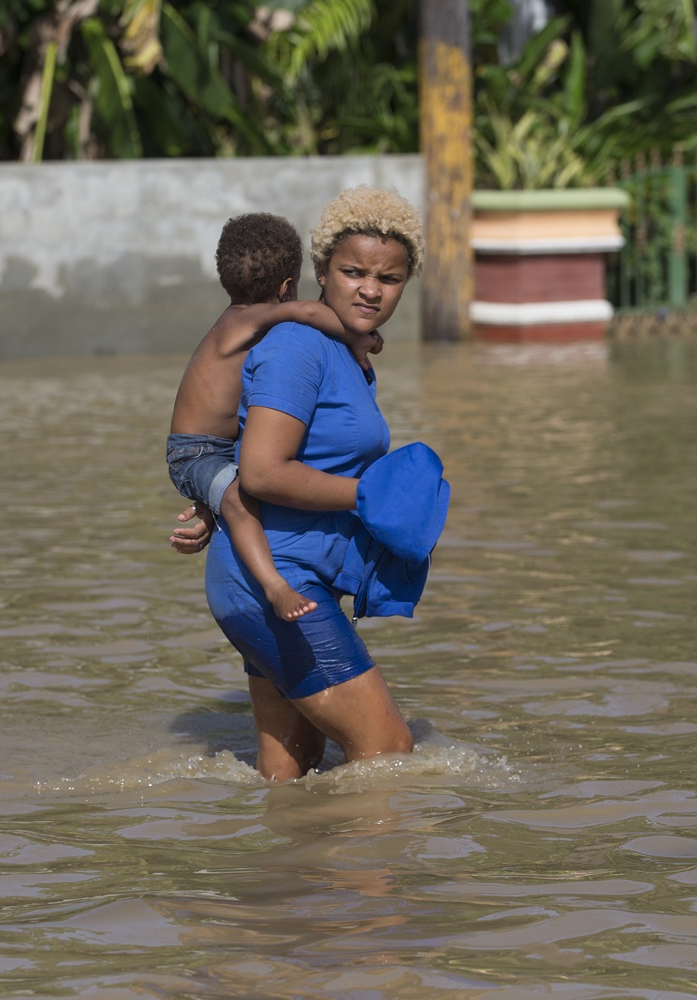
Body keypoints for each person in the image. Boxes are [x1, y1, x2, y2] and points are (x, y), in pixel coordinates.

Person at [202, 186, 436, 782]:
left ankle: (287, 876)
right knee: (387, 751)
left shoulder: (344, 351)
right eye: (353, 271)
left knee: (290, 779)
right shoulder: (297, 347)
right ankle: (378, 880)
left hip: (282, 581)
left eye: (389, 278)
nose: (370, 289)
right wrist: (367, 497)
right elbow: (261, 470)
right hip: (275, 584)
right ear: (321, 270)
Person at [166, 212, 382, 622]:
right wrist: (360, 337)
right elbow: (309, 313)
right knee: (237, 498)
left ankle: (212, 515)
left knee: (233, 492)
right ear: (286, 287)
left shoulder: (237, 323)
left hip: (217, 449)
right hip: (193, 453)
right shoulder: (247, 320)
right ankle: (275, 585)